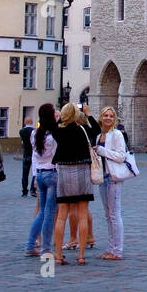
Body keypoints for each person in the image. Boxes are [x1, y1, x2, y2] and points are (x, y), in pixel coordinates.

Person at [53, 103, 95, 264]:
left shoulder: (58, 131)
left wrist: (62, 117)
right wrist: (87, 114)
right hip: (82, 171)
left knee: (62, 216)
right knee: (83, 214)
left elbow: (56, 124)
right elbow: (96, 131)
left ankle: (58, 255)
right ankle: (81, 256)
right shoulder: (82, 130)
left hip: (64, 172)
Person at [24, 103, 58, 255]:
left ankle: (30, 245)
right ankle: (46, 248)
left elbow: (36, 156)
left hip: (40, 174)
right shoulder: (53, 135)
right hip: (52, 173)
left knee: (42, 212)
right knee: (50, 213)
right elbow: (57, 155)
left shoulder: (35, 134)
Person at [95, 105, 128, 260]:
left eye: (111, 116)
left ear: (114, 119)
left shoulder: (117, 135)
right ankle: (110, 248)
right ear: (101, 118)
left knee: (115, 214)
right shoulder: (99, 135)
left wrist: (102, 152)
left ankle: (118, 250)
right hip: (103, 177)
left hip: (113, 177)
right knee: (108, 215)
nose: (108, 118)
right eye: (105, 115)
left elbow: (121, 156)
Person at [19, 121, 36, 197]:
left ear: (25, 122)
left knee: (25, 173)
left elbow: (22, 142)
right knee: (34, 172)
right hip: (33, 153)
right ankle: (33, 189)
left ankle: (24, 190)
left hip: (26, 153)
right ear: (31, 122)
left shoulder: (21, 131)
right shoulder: (34, 131)